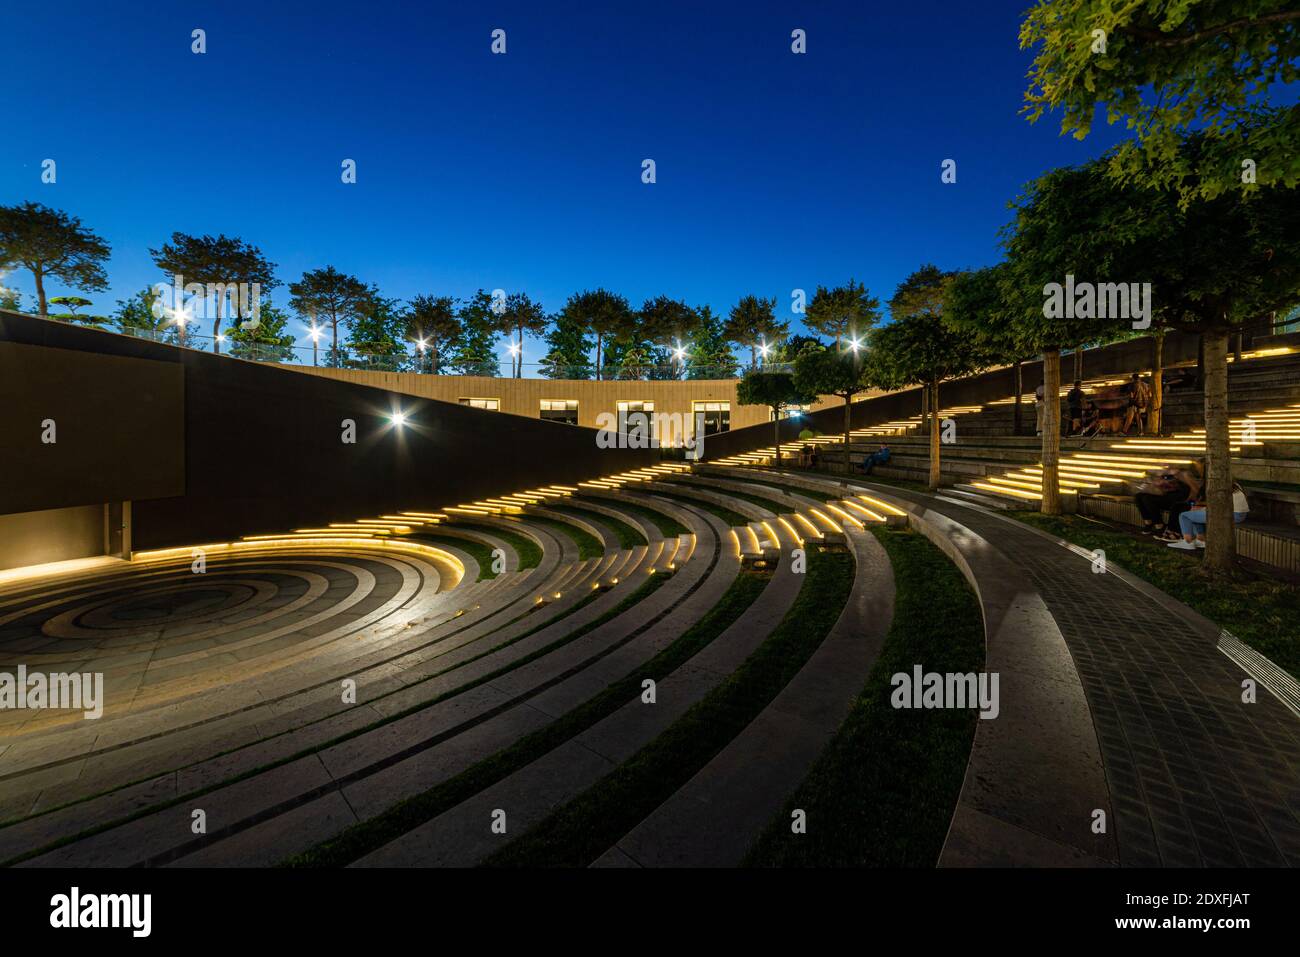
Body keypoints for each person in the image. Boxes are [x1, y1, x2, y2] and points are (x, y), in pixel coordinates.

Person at [1134, 459, 1203, 539]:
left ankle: (1160, 526)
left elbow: (1195, 490)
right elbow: (1165, 491)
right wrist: (1158, 485)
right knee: (1139, 496)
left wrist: (1191, 501)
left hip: (1180, 500)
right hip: (1169, 498)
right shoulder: (1170, 476)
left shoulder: (1185, 475)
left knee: (1147, 499)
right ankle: (1149, 522)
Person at [1169, 483, 1250, 550]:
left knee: (1184, 516)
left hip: (1231, 515)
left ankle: (1188, 542)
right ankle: (1201, 540)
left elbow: (1217, 506)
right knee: (1194, 514)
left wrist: (1202, 508)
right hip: (1240, 515)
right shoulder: (1236, 485)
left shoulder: (1221, 486)